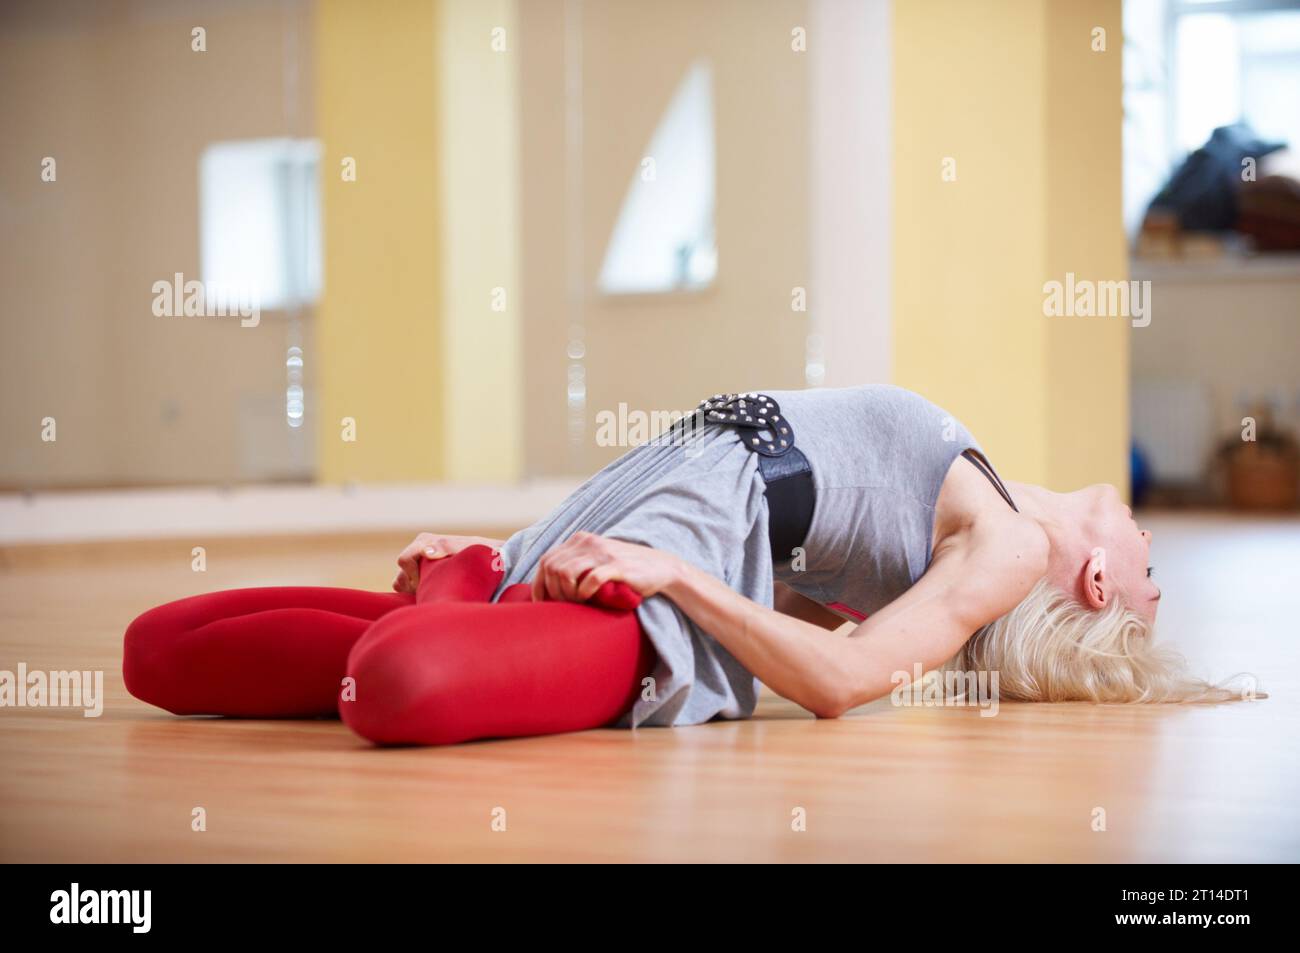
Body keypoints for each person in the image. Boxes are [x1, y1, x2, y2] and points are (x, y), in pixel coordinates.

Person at [123, 385, 1241, 747]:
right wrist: (631, 554)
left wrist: (674, 578)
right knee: (155, 647)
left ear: (1095, 584)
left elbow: (840, 682)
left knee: (392, 687)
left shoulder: (1005, 547)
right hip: (635, 509)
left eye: (1153, 583)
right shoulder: (963, 519)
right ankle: (469, 586)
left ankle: (464, 591)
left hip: (661, 572)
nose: (1152, 562)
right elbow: (812, 616)